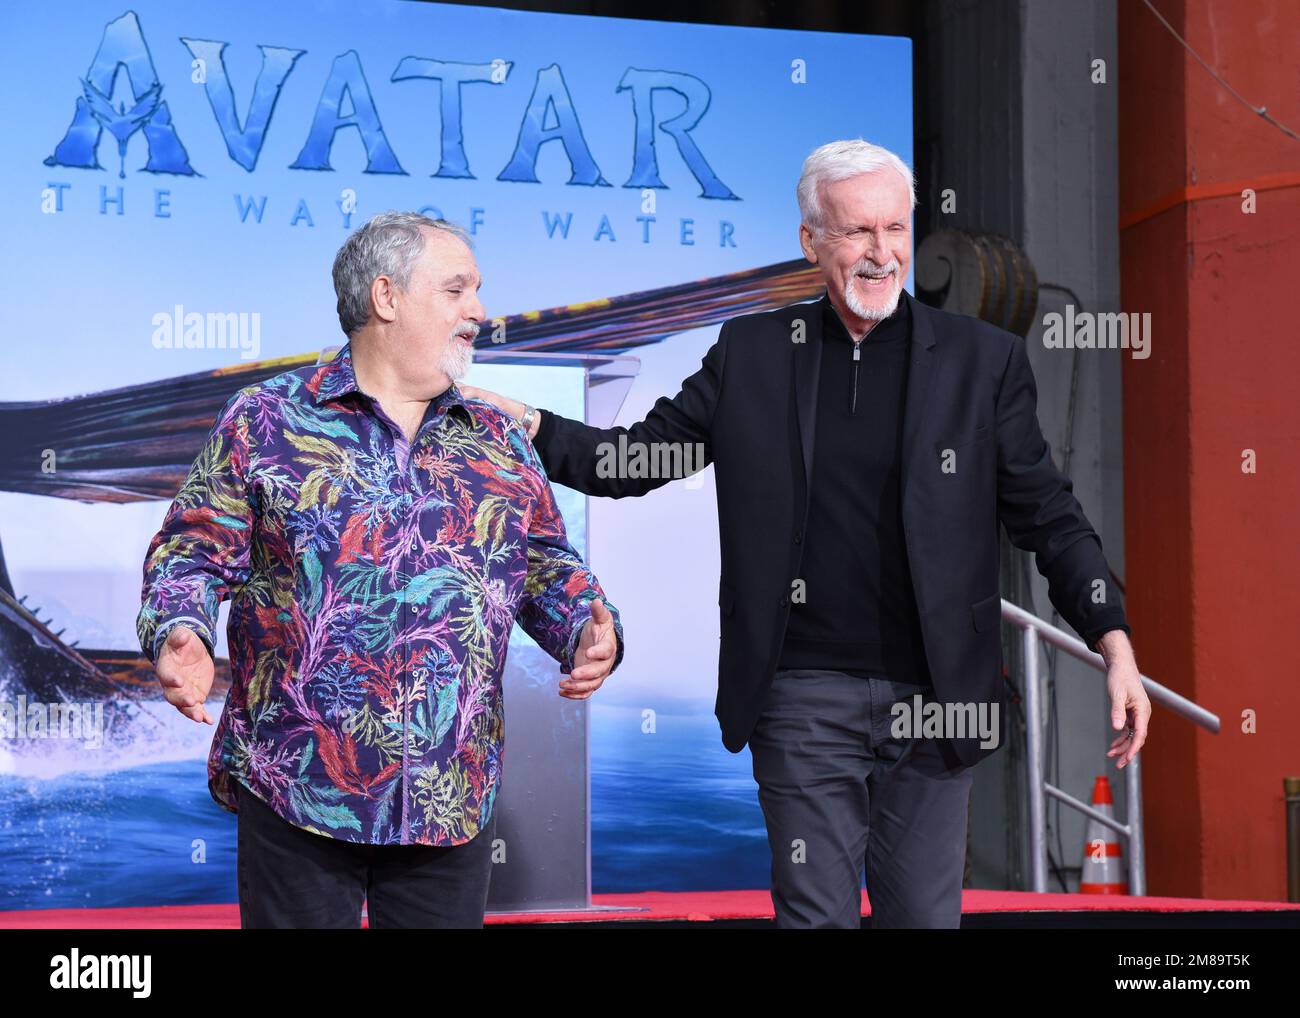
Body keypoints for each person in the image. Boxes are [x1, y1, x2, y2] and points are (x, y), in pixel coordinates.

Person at [459, 139, 1150, 929]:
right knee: (815, 917)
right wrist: (532, 424)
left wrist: (1113, 638)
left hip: (939, 701)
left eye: (896, 229)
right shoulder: (753, 353)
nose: (881, 252)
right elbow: (641, 458)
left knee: (922, 921)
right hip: (802, 693)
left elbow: (1047, 512)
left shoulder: (980, 362)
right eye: (857, 232)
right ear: (811, 241)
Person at [137, 211, 623, 928]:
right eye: (457, 289)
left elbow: (547, 566)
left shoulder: (497, 438)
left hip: (448, 798)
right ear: (386, 297)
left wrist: (586, 629)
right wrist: (180, 627)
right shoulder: (267, 419)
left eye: (478, 290)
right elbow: (192, 547)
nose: (479, 311)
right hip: (296, 786)